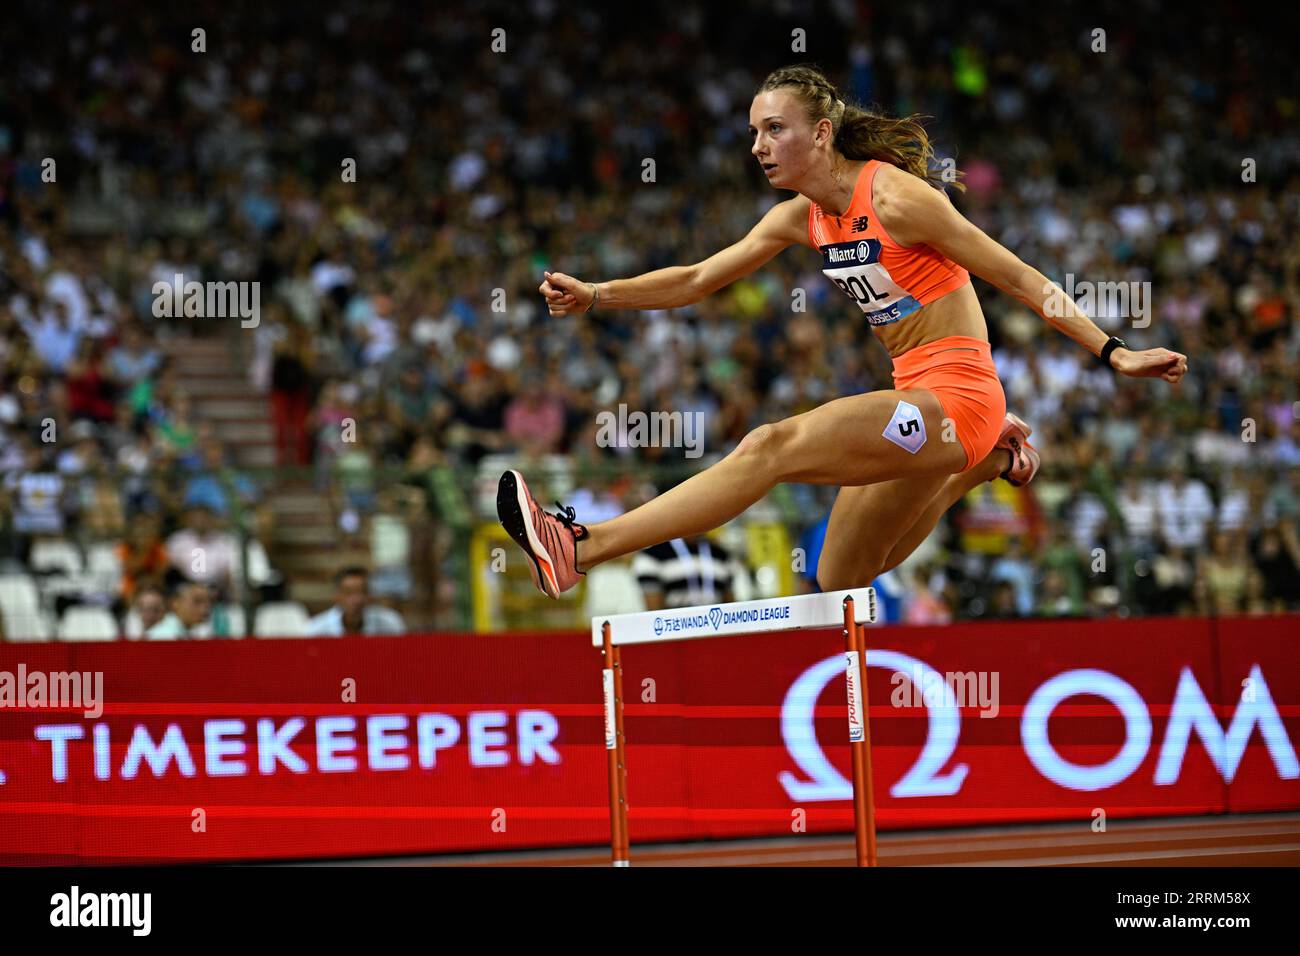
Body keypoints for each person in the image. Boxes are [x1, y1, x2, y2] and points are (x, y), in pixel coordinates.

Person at [497, 65, 1187, 598]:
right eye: (753, 133)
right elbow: (698, 279)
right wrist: (595, 294)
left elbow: (1020, 278)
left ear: (821, 133)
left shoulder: (894, 196)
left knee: (771, 445)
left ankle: (580, 548)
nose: (759, 146)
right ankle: (982, 464)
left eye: (774, 130)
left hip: (960, 395)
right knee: (842, 578)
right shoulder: (802, 216)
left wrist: (1115, 352)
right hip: (922, 405)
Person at [304, 566, 406, 636]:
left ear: (370, 595)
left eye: (363, 592)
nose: (357, 599)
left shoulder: (389, 623)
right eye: (349, 593)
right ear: (336, 596)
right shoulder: (317, 629)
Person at [145, 579, 214, 640]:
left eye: (208, 602)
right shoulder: (164, 636)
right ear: (176, 603)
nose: (204, 608)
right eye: (197, 601)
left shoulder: (197, 631)